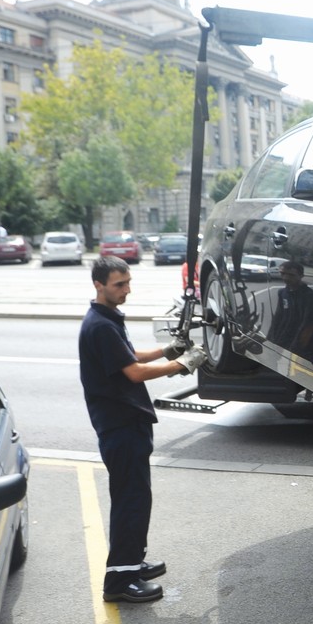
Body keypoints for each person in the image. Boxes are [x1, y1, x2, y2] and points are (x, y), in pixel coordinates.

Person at [79, 254, 207, 603]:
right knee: (129, 502)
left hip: (126, 424)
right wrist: (181, 363)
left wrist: (167, 349)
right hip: (120, 427)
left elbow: (130, 356)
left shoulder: (106, 318)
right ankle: (119, 582)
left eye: (128, 282)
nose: (127, 290)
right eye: (119, 284)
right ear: (98, 284)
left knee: (136, 499)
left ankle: (132, 563)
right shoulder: (100, 326)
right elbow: (133, 373)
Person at [267, 260, 313, 359]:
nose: (285, 278)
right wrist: (269, 340)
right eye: (283, 273)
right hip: (284, 342)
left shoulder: (311, 298)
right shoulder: (283, 293)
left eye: (291, 275)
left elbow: (308, 327)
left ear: (301, 276)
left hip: (305, 349)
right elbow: (278, 317)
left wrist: (293, 352)